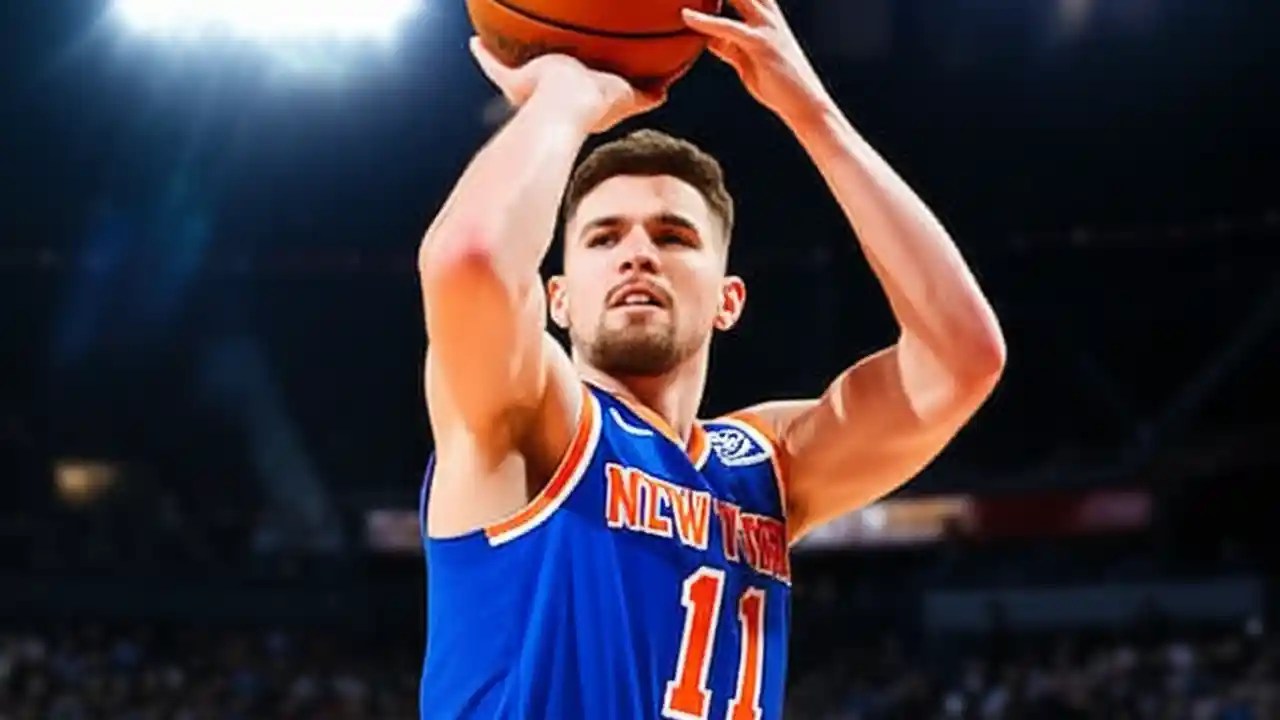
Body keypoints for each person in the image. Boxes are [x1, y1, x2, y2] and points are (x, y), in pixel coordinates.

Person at [415, 0, 1006, 717]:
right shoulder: (530, 419)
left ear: (728, 301)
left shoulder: (763, 470)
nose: (638, 253)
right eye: (604, 237)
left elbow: (962, 358)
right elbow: (469, 261)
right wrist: (565, 98)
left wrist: (813, 114)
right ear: (557, 300)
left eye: (674, 237)